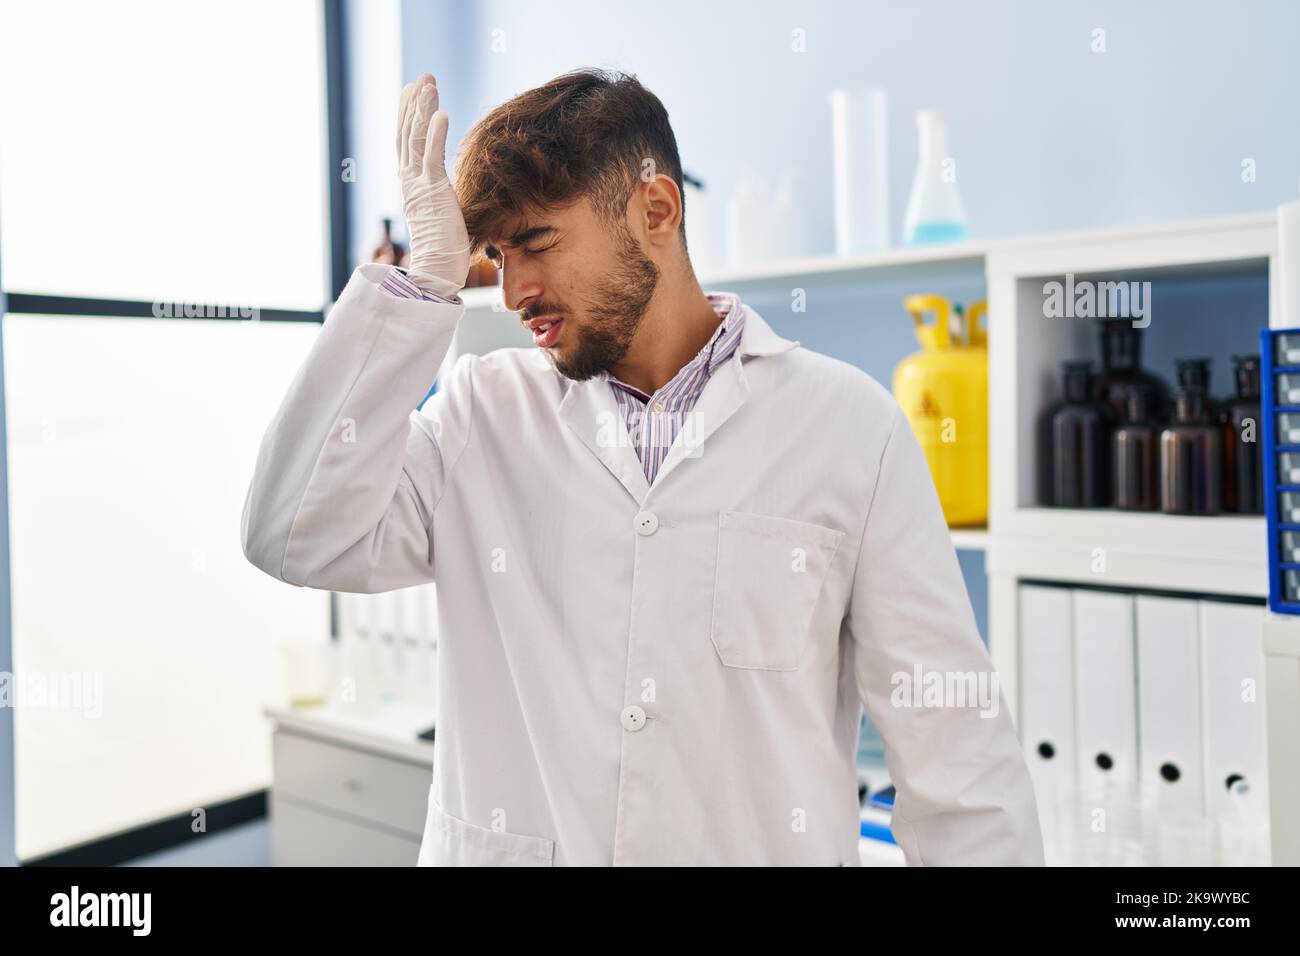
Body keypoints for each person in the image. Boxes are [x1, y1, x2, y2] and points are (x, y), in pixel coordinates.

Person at [241, 68, 1044, 866]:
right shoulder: (479, 412)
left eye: (536, 243)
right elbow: (292, 534)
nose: (513, 288)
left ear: (656, 209)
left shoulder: (849, 426)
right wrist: (419, 287)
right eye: (493, 252)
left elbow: (956, 755)